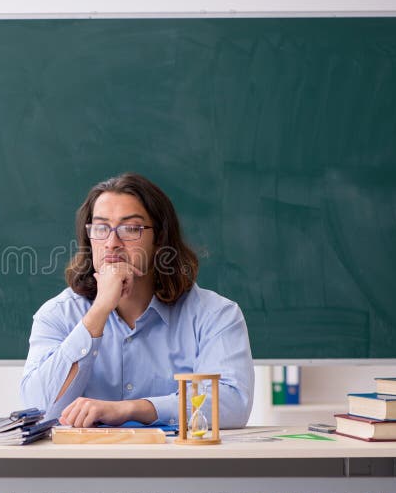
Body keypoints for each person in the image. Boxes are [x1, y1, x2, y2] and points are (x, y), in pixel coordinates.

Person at [20, 173, 253, 428]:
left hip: (175, 467)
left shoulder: (216, 314)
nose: (111, 243)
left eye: (130, 229)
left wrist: (133, 409)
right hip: (85, 467)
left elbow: (233, 404)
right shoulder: (57, 315)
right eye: (100, 228)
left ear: (159, 239)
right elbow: (39, 408)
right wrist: (99, 311)